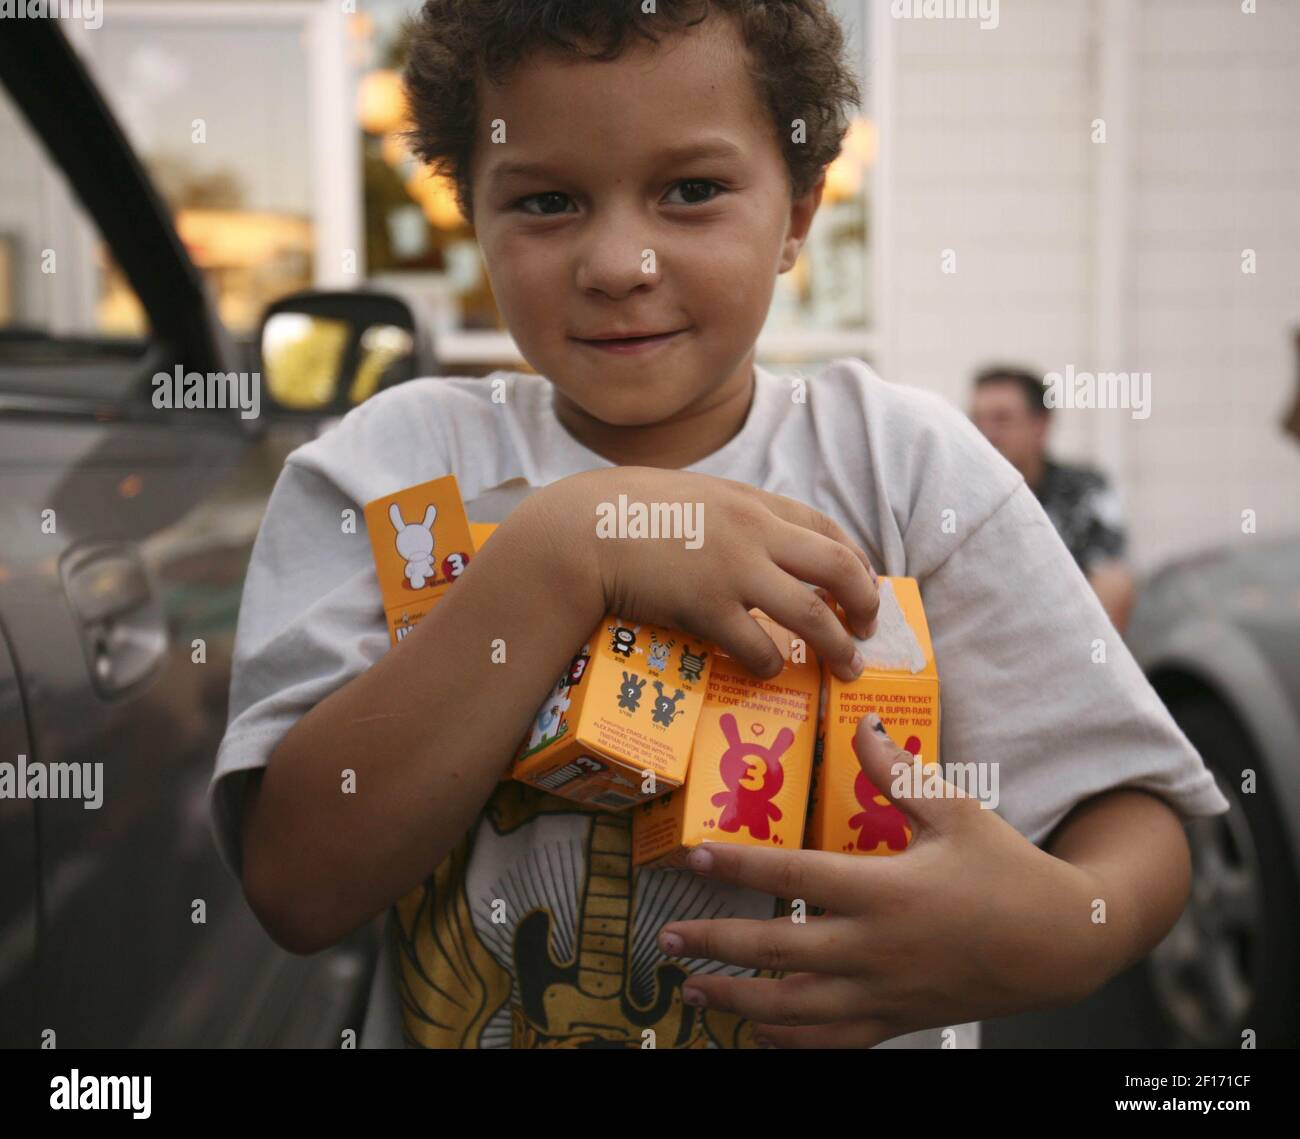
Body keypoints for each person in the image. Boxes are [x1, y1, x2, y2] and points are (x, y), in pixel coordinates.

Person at [206, 0, 1228, 1050]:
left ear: (796, 214)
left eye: (691, 191)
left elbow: (1135, 818)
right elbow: (297, 882)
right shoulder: (388, 471)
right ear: (472, 210)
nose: (617, 261)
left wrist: (1067, 931)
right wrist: (569, 550)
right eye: (547, 200)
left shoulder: (903, 468)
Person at [970, 366, 1138, 633]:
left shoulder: (1085, 490)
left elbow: (1112, 580)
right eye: (976, 420)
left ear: (1040, 425)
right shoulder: (961, 493)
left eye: (1001, 419)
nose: (986, 433)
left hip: (1068, 644)